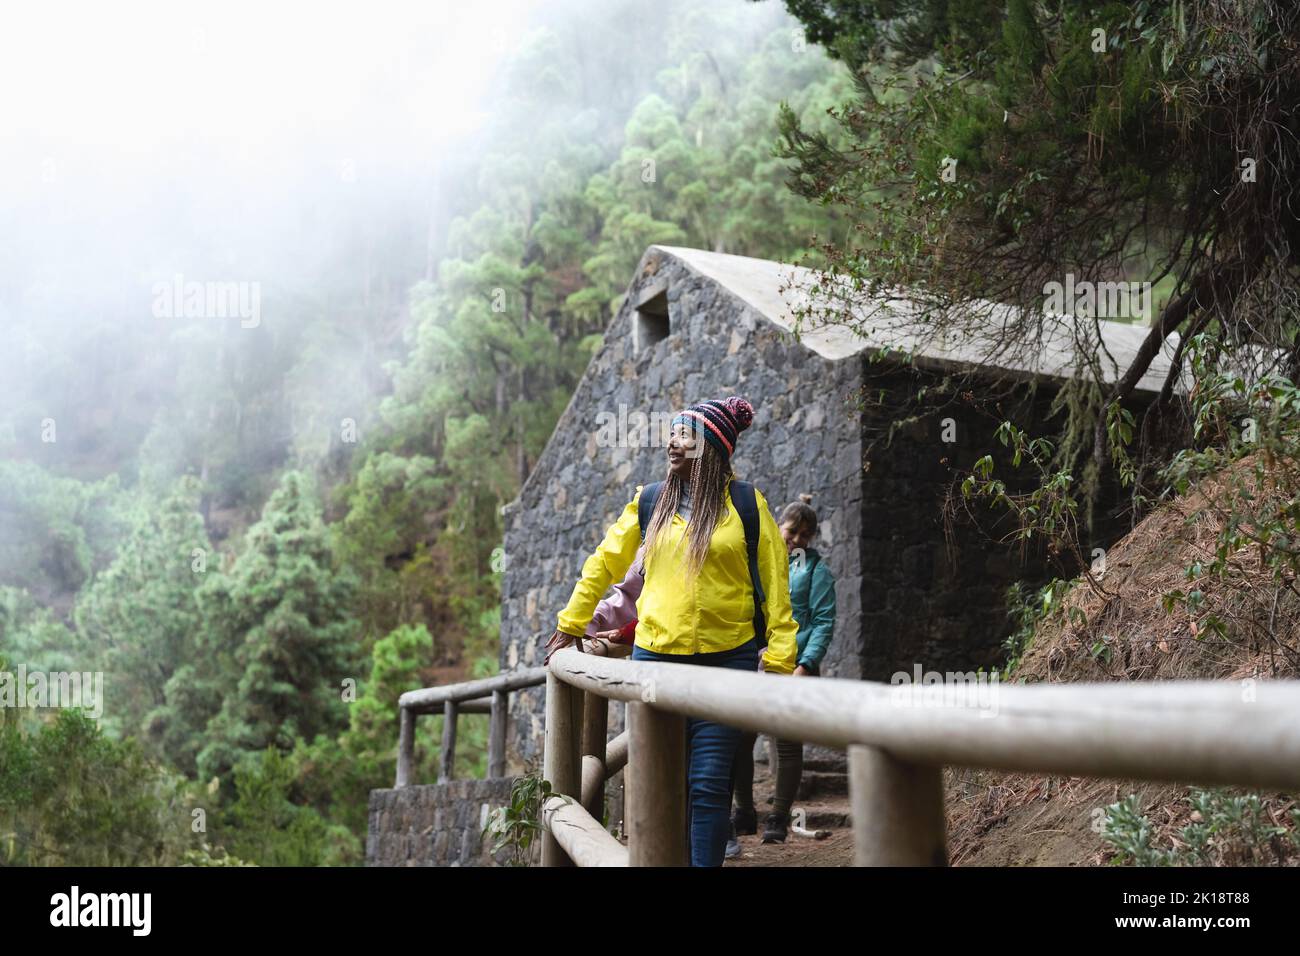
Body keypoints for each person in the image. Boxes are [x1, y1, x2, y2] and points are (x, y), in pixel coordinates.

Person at [546, 396, 798, 867]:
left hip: (727, 663)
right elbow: (604, 562)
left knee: (708, 786)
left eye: (684, 434)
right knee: (659, 785)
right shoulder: (649, 501)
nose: (671, 442)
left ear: (710, 447)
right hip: (656, 664)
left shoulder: (746, 504)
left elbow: (776, 585)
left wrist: (780, 664)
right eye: (672, 433)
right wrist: (571, 623)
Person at [729, 497, 836, 851]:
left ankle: (777, 817)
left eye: (806, 535)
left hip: (794, 667)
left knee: (787, 744)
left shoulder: (816, 571)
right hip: (756, 664)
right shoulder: (758, 561)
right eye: (793, 531)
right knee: (741, 738)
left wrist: (806, 664)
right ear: (778, 526)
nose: (798, 539)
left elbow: (822, 622)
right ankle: (744, 811)